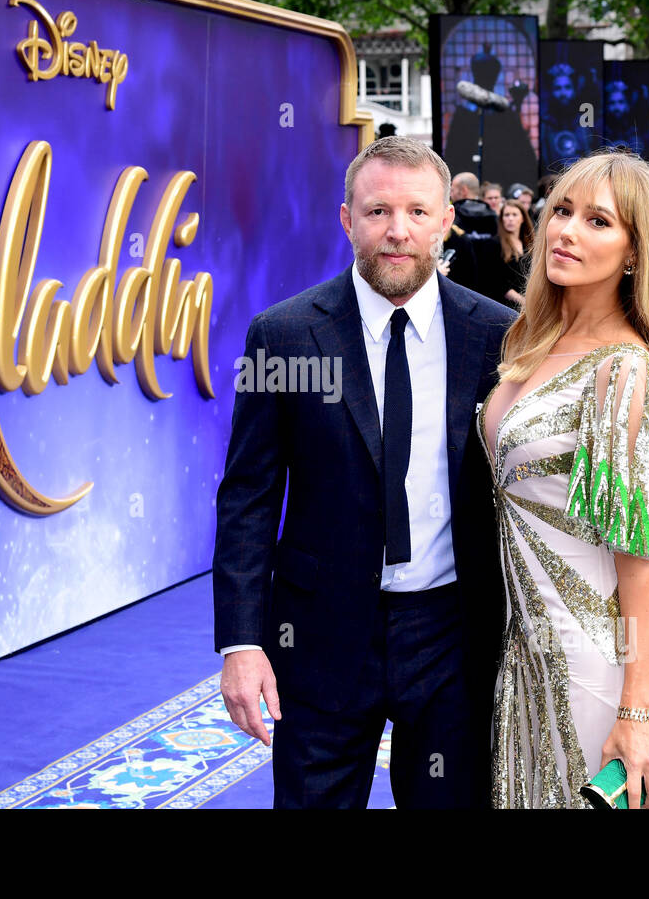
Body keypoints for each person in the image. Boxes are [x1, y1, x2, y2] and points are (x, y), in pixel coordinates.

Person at [214, 135, 515, 808]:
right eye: (378, 211)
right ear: (347, 219)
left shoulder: (499, 335)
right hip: (319, 634)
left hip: (452, 636)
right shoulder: (285, 335)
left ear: (446, 220)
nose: (397, 231)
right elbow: (249, 497)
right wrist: (240, 640)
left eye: (416, 211)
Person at [478, 149, 649, 809]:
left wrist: (638, 711)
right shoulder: (531, 342)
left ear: (636, 252)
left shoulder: (623, 368)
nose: (566, 231)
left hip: (591, 662)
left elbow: (639, 556)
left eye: (598, 221)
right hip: (523, 650)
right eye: (561, 210)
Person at [462, 199, 533, 307]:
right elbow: (494, 282)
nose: (510, 219)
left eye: (514, 215)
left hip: (528, 301)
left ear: (523, 218)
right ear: (501, 219)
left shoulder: (529, 244)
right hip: (503, 305)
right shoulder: (493, 244)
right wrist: (523, 301)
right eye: (506, 215)